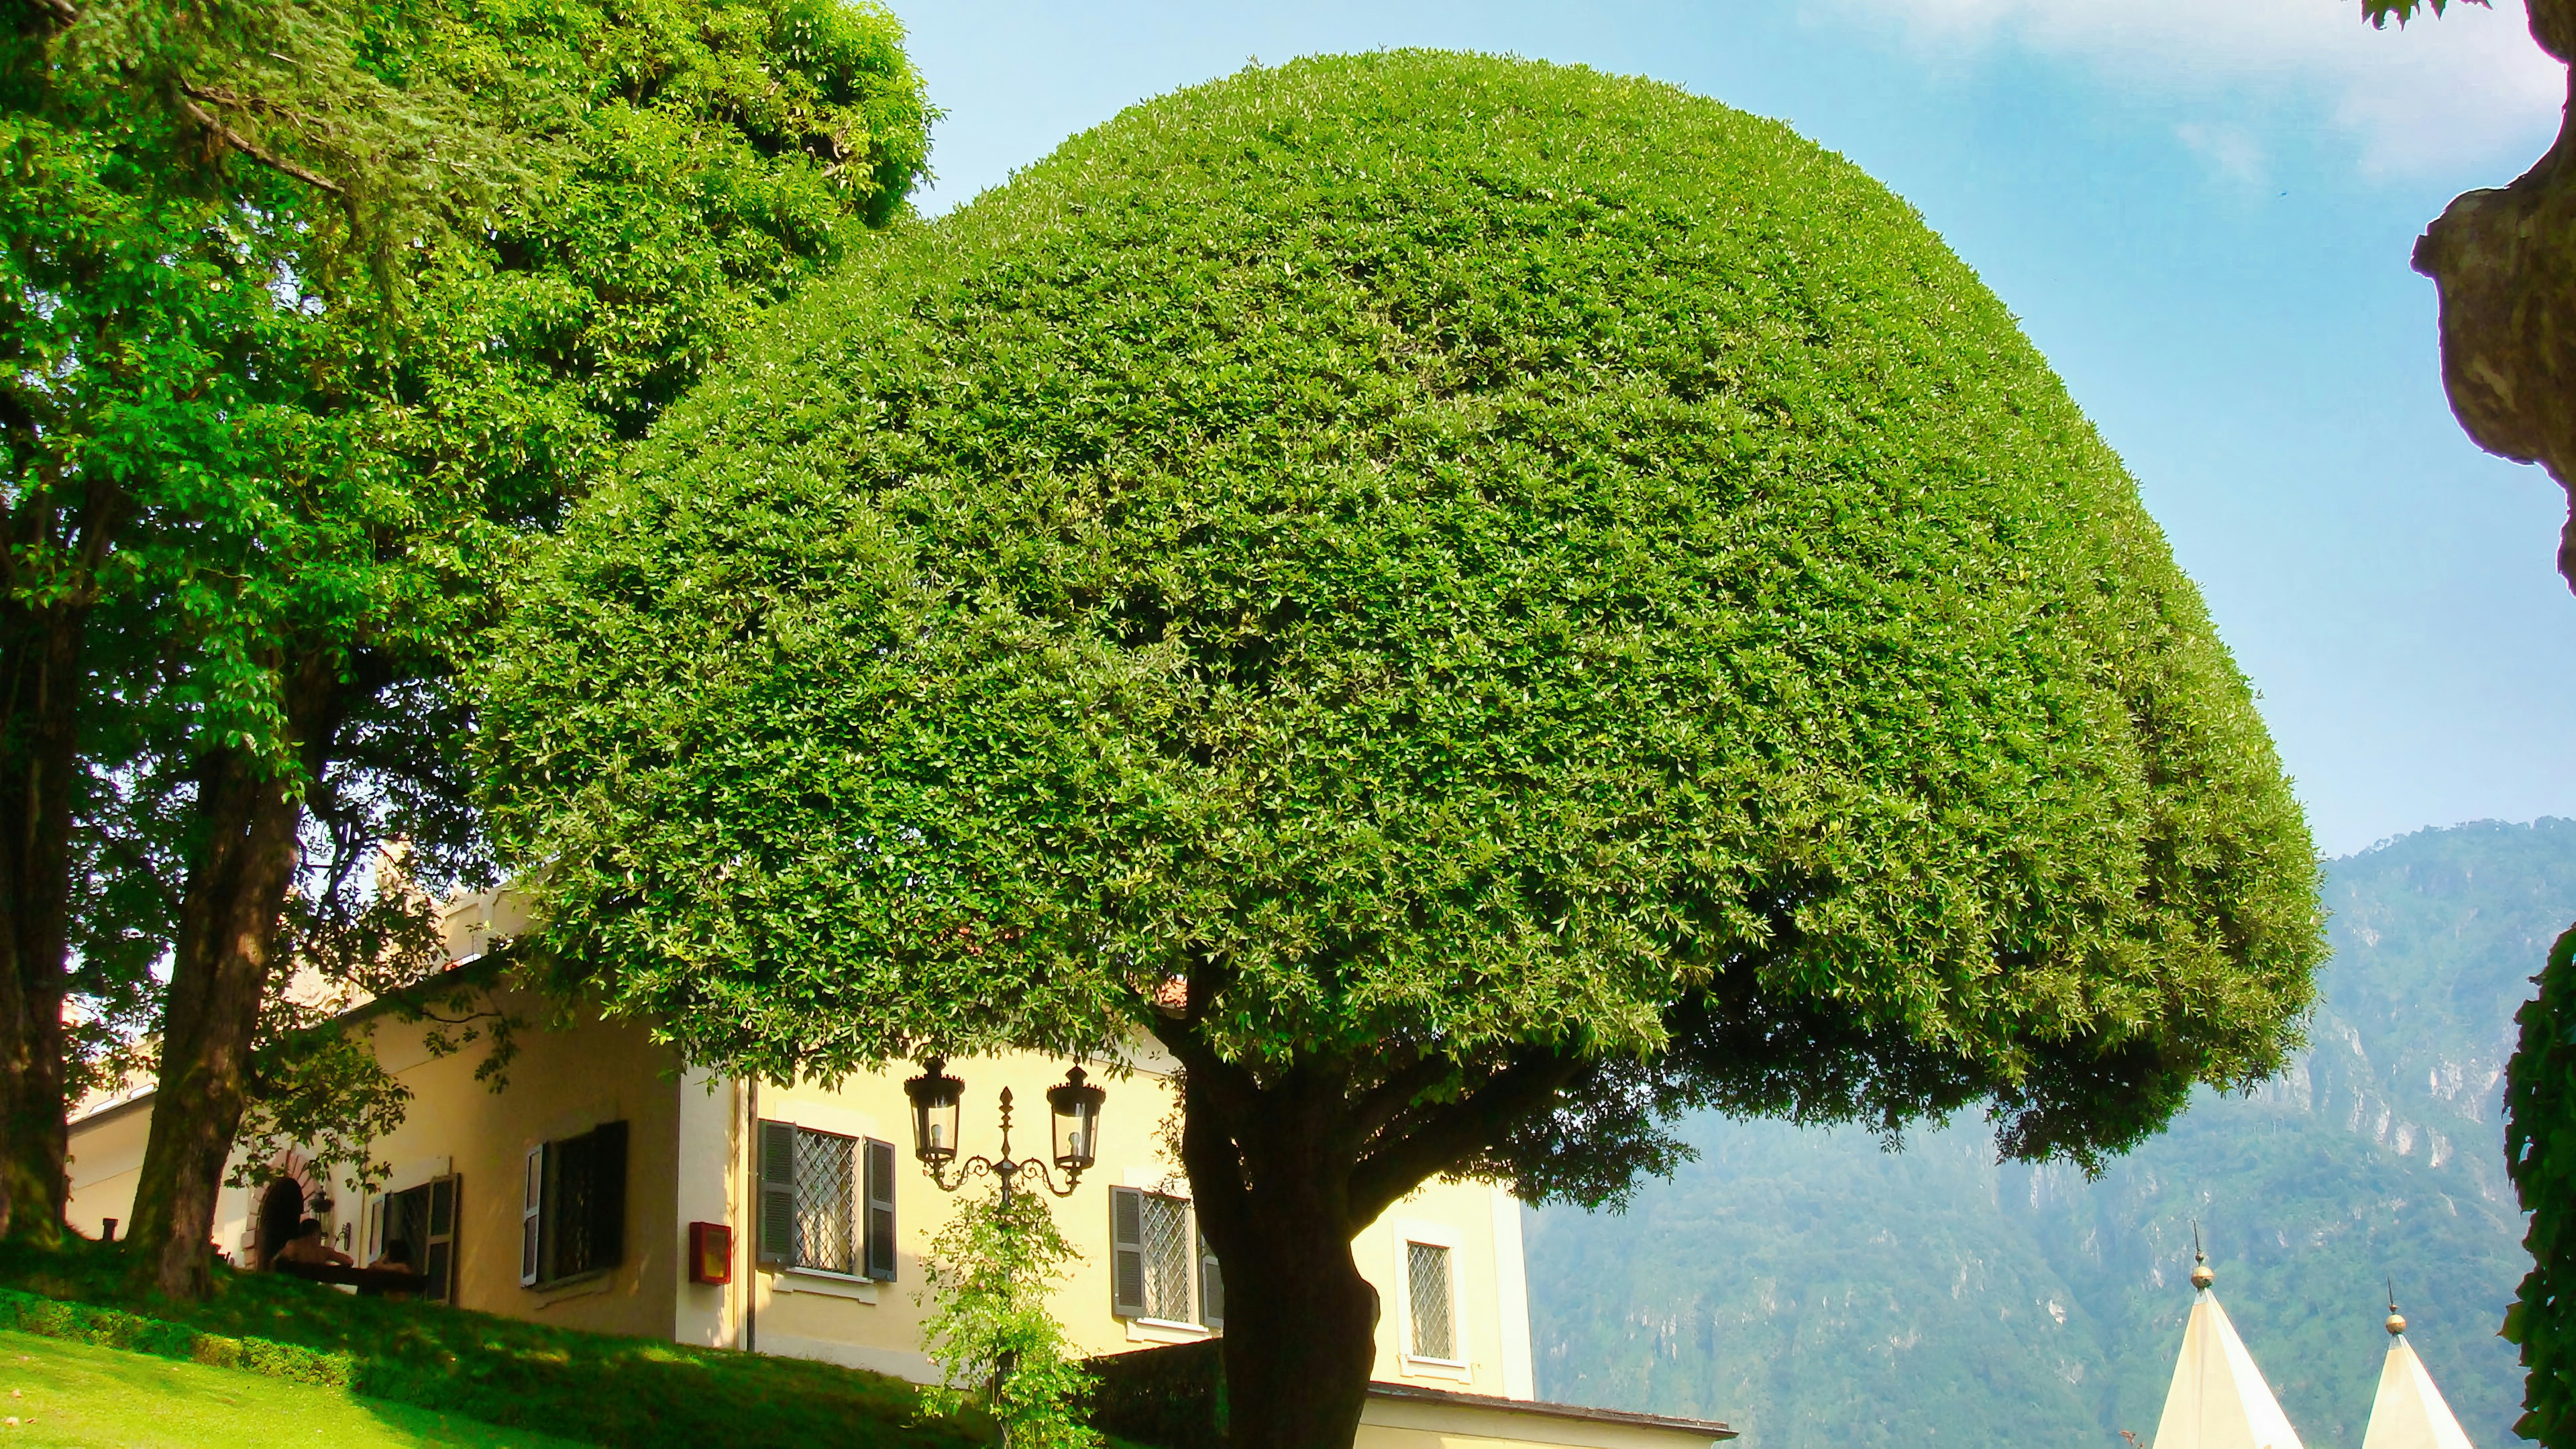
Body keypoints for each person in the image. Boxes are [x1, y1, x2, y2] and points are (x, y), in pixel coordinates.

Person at [270, 1219, 352, 1269]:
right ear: (315, 1234)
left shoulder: (292, 1245)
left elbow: (274, 1262)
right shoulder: (324, 1252)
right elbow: (348, 1262)